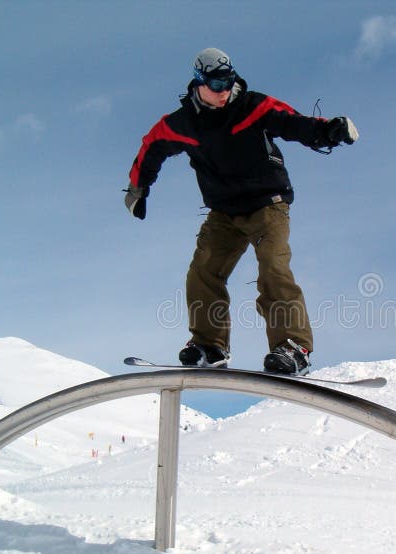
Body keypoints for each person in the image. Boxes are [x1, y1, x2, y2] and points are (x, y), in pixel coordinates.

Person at [124, 48, 358, 375]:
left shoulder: (252, 106)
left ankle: (292, 347)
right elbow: (151, 147)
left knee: (273, 268)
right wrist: (138, 189)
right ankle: (210, 345)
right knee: (204, 270)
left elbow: (294, 123)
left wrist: (328, 129)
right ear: (199, 83)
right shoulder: (183, 124)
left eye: (229, 83)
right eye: (217, 85)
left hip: (267, 203)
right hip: (223, 212)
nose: (224, 92)